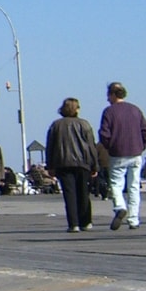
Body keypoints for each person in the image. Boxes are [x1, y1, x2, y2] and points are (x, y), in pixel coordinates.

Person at [98, 82, 146, 230]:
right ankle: (134, 219)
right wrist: (143, 145)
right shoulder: (135, 109)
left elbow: (104, 133)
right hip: (135, 152)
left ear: (113, 94)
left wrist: (110, 146)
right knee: (134, 186)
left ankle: (120, 207)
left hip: (118, 153)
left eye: (108, 95)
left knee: (116, 183)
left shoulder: (109, 112)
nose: (107, 98)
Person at [45, 97, 98, 233]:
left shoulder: (56, 125)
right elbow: (91, 146)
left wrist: (50, 166)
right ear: (77, 109)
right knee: (83, 193)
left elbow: (50, 146)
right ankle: (86, 221)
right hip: (83, 163)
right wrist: (95, 165)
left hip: (63, 163)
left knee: (69, 194)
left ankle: (73, 223)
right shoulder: (84, 124)